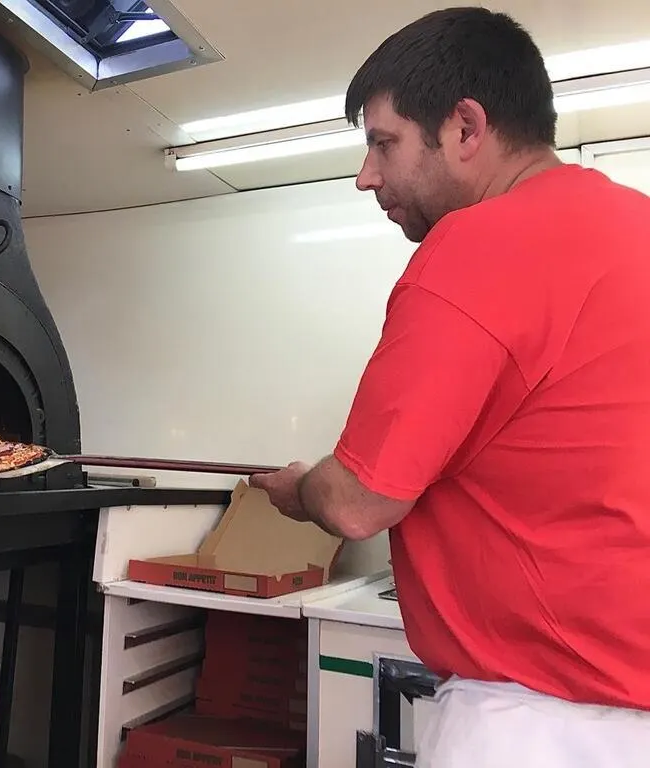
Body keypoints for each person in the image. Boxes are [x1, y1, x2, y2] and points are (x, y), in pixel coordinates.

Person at [249, 7, 650, 767]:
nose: (367, 175)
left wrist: (302, 489)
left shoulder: (478, 244)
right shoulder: (637, 226)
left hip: (540, 721)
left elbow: (360, 500)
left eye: (382, 142)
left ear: (465, 127)